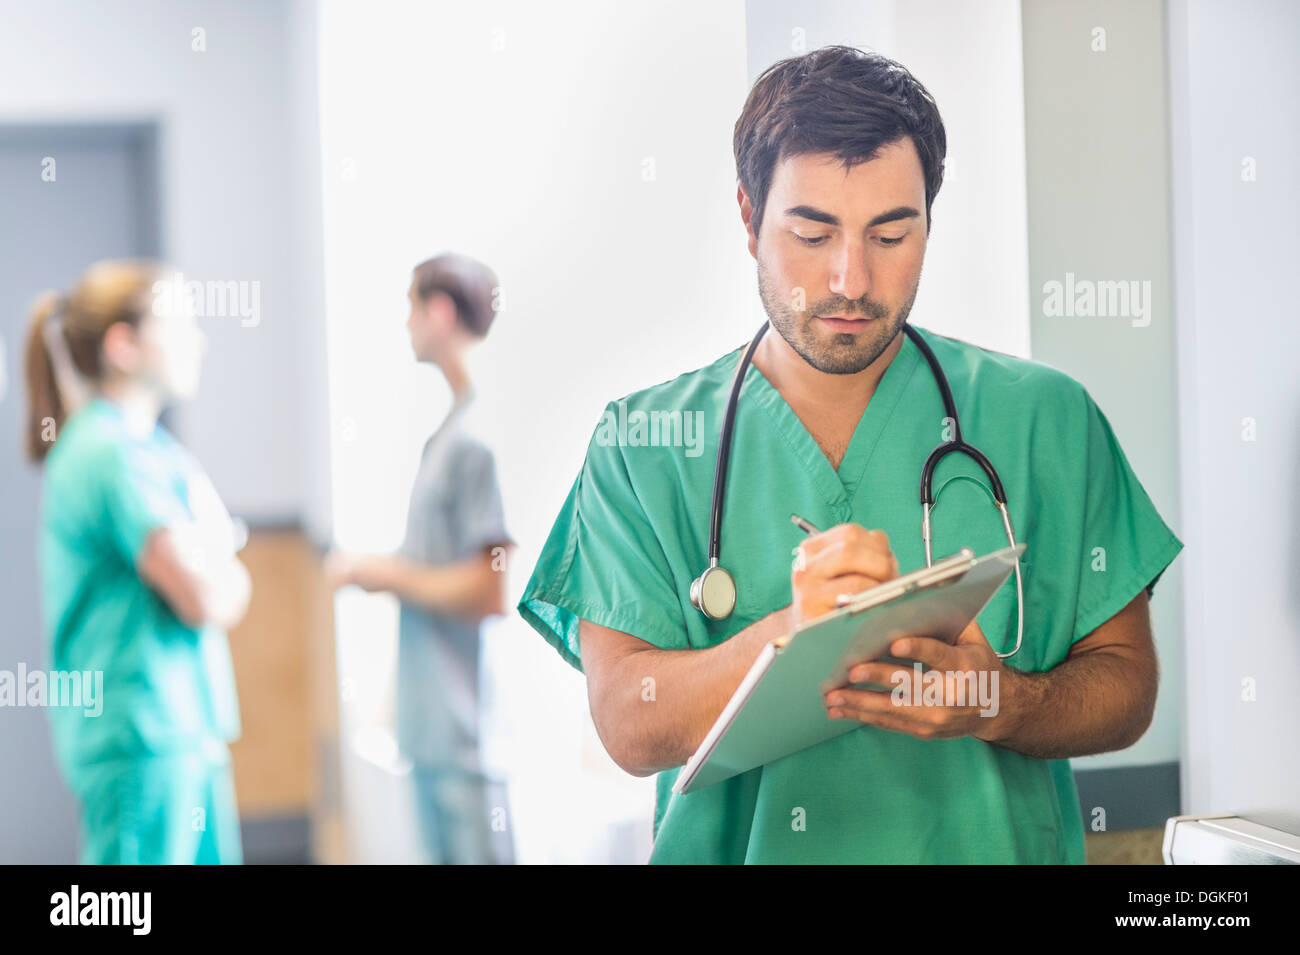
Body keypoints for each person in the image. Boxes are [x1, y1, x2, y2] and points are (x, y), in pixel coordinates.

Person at [517, 46, 1183, 864]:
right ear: (746, 214)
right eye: (812, 231)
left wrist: (998, 704)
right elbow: (627, 722)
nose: (850, 278)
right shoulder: (643, 448)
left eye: (891, 232)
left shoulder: (1047, 419)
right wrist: (793, 637)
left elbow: (1127, 689)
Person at [23, 260, 249, 864]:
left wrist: (222, 568)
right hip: (142, 733)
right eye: (178, 323)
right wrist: (225, 566)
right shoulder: (110, 455)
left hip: (178, 729)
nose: (198, 339)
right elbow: (207, 595)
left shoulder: (148, 450)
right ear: (122, 345)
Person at [326, 252, 514, 865]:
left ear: (438, 311)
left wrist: (388, 576)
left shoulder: (479, 438)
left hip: (467, 738)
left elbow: (491, 588)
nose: (406, 323)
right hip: (434, 729)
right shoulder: (448, 434)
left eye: (410, 306)